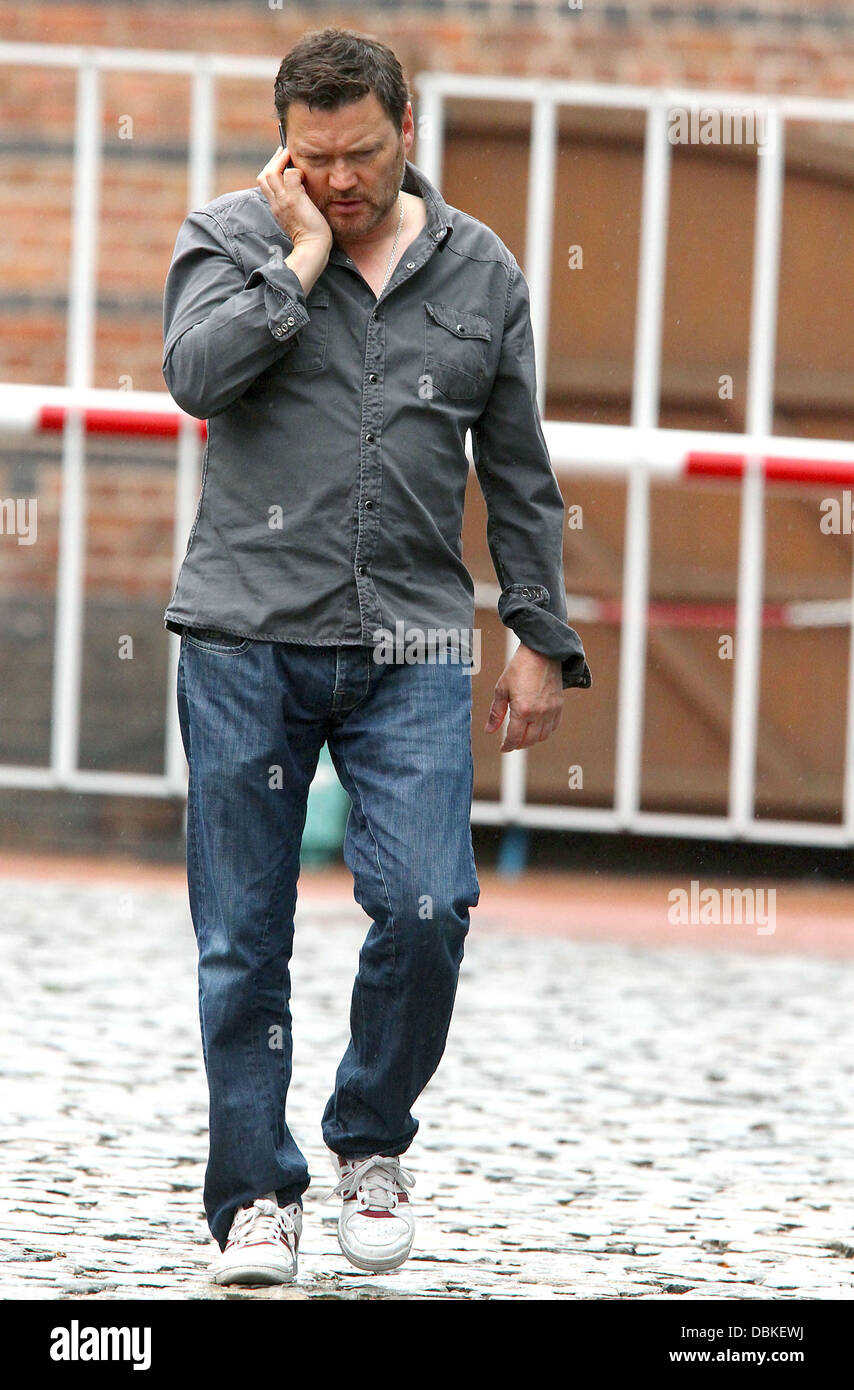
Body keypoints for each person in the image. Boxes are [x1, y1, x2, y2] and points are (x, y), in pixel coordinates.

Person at [161, 25, 591, 1286]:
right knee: (243, 933)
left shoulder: (481, 273)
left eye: (358, 155)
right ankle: (252, 1198)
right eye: (313, 158)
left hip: (409, 640)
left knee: (428, 904)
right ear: (283, 147)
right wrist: (293, 265)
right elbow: (194, 376)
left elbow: (515, 471)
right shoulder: (230, 238)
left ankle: (369, 1145)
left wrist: (538, 640)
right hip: (244, 632)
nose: (338, 181)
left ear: (408, 125)